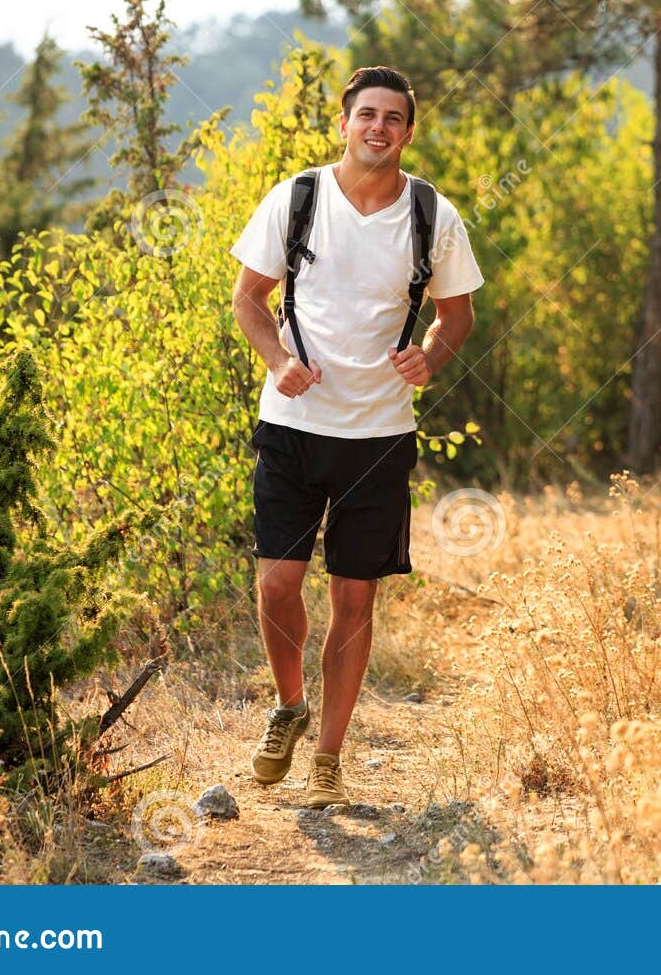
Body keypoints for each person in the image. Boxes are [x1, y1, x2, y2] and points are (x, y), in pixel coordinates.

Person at [229, 65, 483, 807]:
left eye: (393, 118)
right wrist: (278, 360)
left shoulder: (433, 214)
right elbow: (248, 298)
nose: (378, 127)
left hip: (378, 435)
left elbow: (457, 316)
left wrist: (427, 358)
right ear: (343, 123)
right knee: (277, 582)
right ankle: (289, 704)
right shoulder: (296, 198)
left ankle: (329, 760)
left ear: (408, 131)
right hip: (292, 426)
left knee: (354, 600)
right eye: (365, 114)